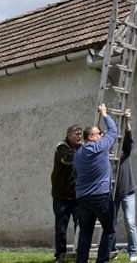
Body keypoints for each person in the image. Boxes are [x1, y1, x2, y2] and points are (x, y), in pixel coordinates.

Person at [73, 104, 118, 263]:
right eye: (99, 133)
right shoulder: (100, 147)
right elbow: (114, 130)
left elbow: (75, 174)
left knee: (85, 233)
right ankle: (102, 261)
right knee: (109, 230)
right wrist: (104, 114)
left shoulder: (78, 154)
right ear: (91, 137)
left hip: (83, 199)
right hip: (100, 197)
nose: (102, 135)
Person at [51, 124, 82, 263]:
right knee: (61, 228)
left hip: (77, 197)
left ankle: (80, 254)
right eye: (76, 133)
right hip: (61, 197)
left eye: (80, 133)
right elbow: (68, 159)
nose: (79, 136)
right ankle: (60, 256)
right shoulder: (61, 147)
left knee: (80, 227)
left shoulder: (81, 148)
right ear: (68, 135)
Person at [114, 110, 137, 262]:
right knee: (111, 223)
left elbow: (129, 138)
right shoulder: (106, 150)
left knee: (130, 222)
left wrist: (127, 121)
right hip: (112, 193)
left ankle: (133, 252)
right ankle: (111, 251)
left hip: (128, 191)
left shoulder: (125, 149)